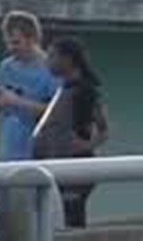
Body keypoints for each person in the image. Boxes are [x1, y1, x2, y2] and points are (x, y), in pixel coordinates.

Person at [37, 37, 109, 228]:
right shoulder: (64, 89)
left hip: (76, 166)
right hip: (58, 163)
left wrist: (86, 145)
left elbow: (103, 128)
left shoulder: (85, 90)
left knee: (72, 218)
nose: (48, 61)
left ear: (68, 59)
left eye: (52, 56)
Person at [0, 11, 59, 163]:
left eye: (16, 43)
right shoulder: (6, 67)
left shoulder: (51, 69)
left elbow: (58, 112)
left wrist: (18, 102)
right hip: (10, 148)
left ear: (32, 39)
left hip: (39, 150)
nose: (11, 48)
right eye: (7, 43)